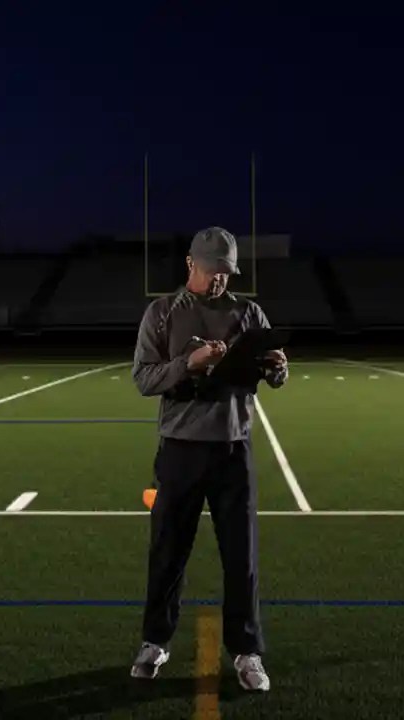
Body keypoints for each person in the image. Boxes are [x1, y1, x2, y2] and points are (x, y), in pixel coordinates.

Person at [128, 226, 288, 693]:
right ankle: (155, 640)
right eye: (212, 270)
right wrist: (189, 364)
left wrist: (278, 370)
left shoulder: (248, 312)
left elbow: (270, 373)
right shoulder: (162, 313)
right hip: (180, 449)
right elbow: (142, 378)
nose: (219, 280)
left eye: (226, 272)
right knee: (168, 551)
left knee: (242, 557)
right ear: (190, 265)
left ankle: (247, 650)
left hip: (233, 448)